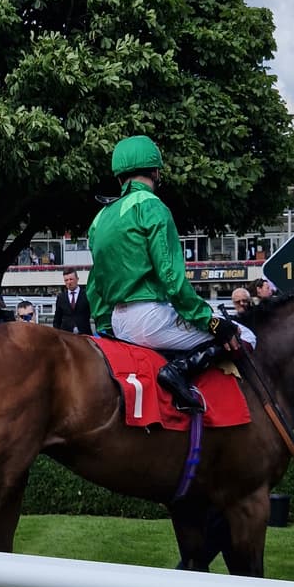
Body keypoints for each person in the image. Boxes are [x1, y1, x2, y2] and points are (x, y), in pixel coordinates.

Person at [86, 135, 248, 411]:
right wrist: (210, 321)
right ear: (155, 171)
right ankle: (179, 372)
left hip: (116, 323)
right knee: (244, 335)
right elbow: (172, 281)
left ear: (119, 174)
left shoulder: (100, 217)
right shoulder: (152, 206)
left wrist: (105, 325)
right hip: (150, 319)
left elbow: (94, 284)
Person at [52, 268, 92, 335]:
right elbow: (57, 319)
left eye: (71, 279)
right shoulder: (61, 297)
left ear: (77, 279)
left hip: (84, 335)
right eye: (66, 280)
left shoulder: (87, 295)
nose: (69, 282)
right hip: (66, 337)